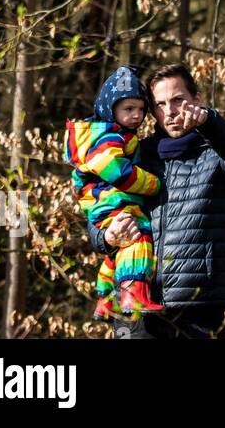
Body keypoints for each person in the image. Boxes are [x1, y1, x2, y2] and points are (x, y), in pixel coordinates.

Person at [87, 63, 225, 339]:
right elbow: (100, 206)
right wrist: (106, 236)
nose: (169, 112)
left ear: (196, 100)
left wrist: (209, 122)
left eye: (178, 101)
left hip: (195, 306)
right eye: (159, 104)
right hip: (133, 306)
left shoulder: (219, 154)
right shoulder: (137, 156)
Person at [65, 65, 164, 318]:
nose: (137, 116)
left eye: (141, 109)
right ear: (111, 108)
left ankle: (106, 299)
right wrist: (152, 184)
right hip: (109, 200)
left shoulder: (118, 134)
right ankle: (133, 294)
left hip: (107, 200)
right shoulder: (108, 136)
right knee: (137, 237)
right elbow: (116, 171)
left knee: (121, 249)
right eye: (128, 109)